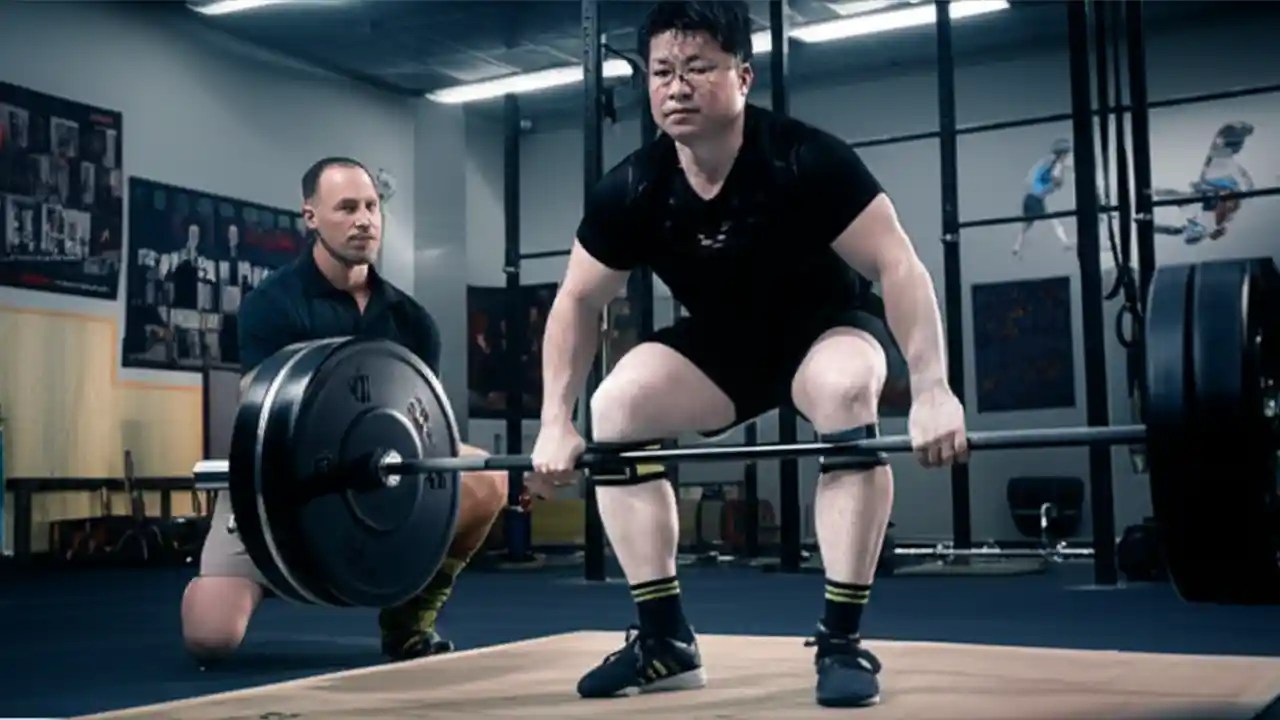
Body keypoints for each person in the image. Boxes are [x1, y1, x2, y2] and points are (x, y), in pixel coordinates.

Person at [529, 1, 968, 709]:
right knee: (614, 406)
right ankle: (665, 641)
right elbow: (578, 300)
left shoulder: (804, 159)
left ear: (743, 75)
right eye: (662, 71)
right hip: (724, 344)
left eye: (698, 68)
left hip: (826, 328)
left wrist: (933, 387)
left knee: (842, 390)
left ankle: (841, 641)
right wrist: (556, 416)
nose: (677, 86)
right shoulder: (635, 187)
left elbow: (898, 265)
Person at [180, 157, 507, 664]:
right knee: (210, 637)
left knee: (487, 478)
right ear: (310, 216)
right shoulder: (272, 304)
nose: (364, 220)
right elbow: (262, 414)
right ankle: (272, 573)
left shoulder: (411, 320)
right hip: (276, 489)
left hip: (378, 482)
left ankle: (408, 621)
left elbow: (424, 424)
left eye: (373, 207)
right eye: (347, 208)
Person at [1013, 138, 1073, 256]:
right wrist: (1057, 182)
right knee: (1053, 220)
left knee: (1027, 224)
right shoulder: (1056, 164)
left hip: (1030, 197)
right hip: (1036, 198)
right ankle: (1065, 242)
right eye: (1066, 154)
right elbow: (1055, 176)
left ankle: (1017, 245)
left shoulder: (1048, 162)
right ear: (1063, 154)